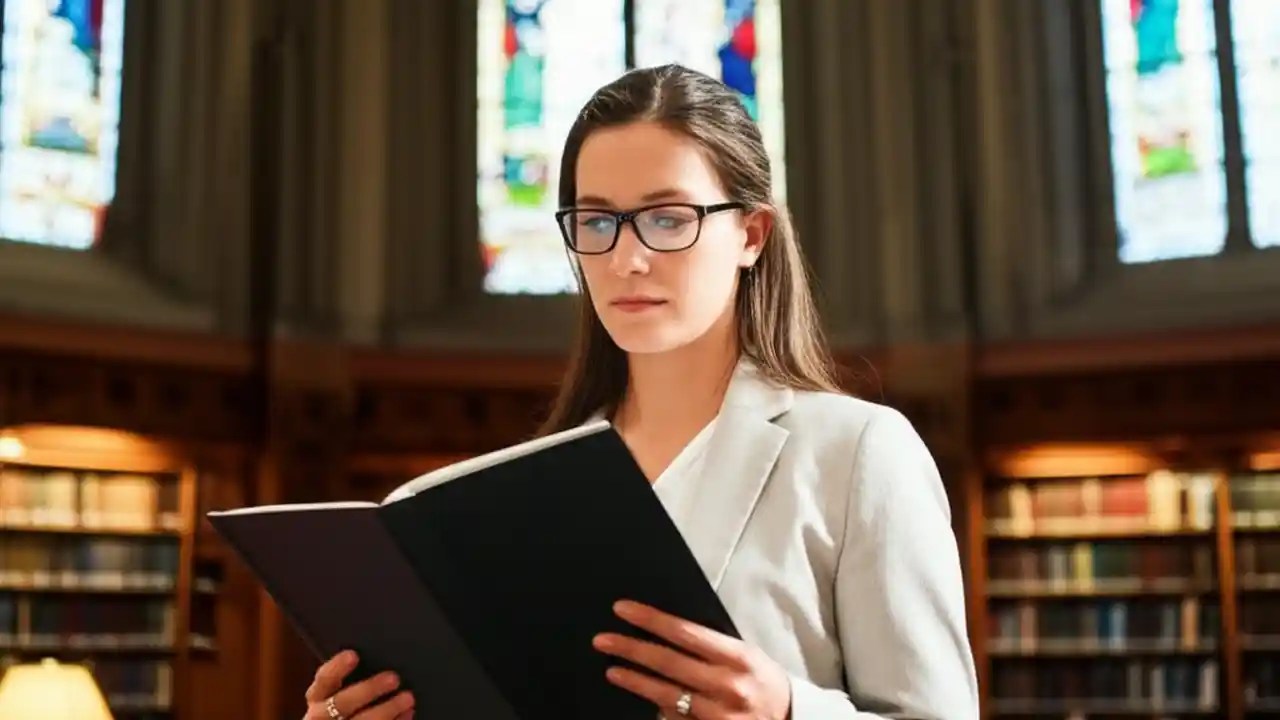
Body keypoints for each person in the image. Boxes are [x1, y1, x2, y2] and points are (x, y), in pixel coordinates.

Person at [302, 63, 978, 720]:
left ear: (751, 234)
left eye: (667, 218)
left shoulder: (855, 454)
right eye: (597, 223)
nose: (626, 258)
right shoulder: (523, 491)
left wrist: (786, 711)